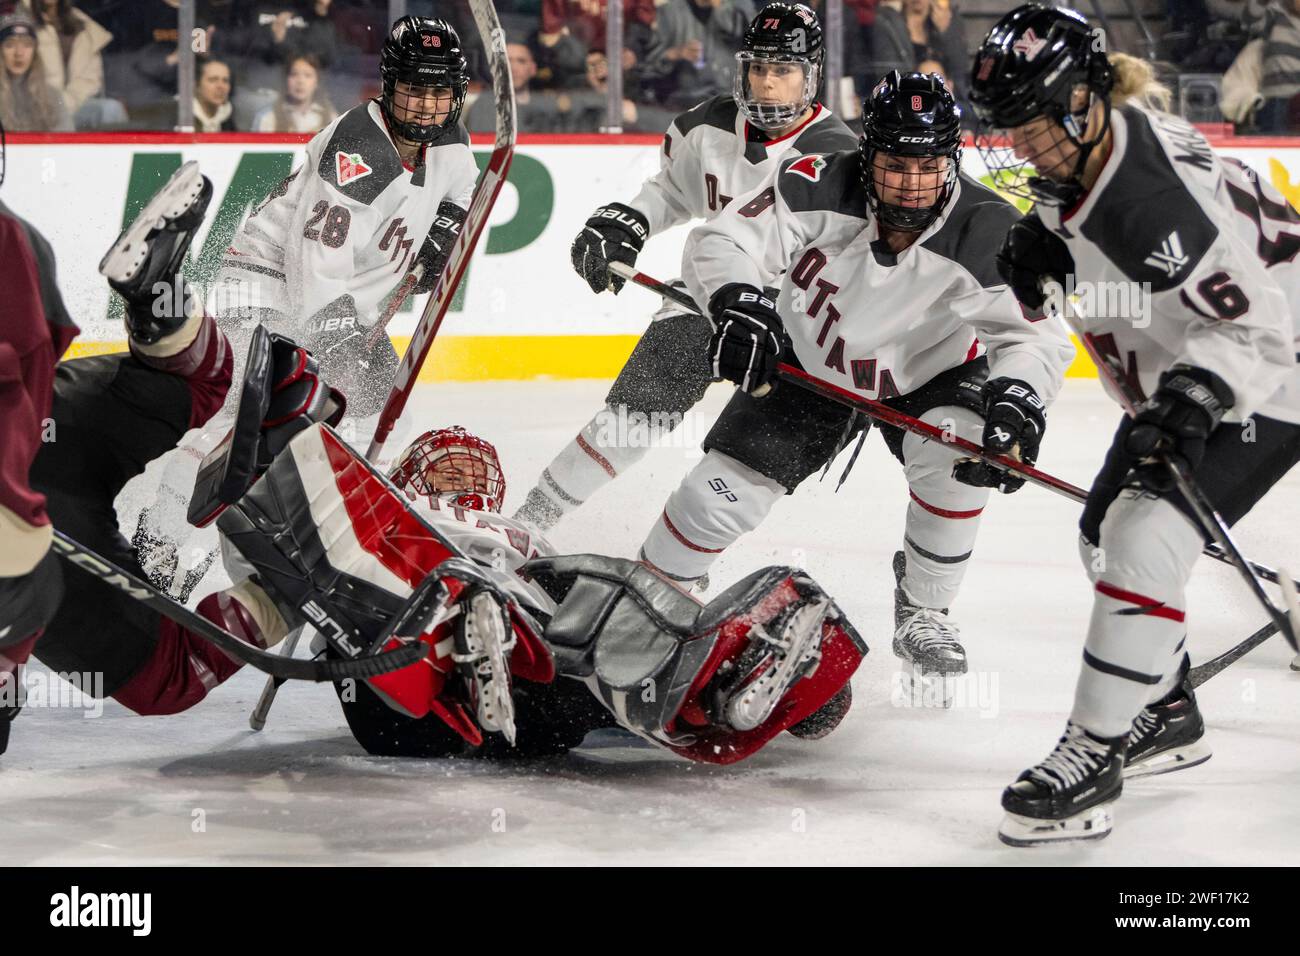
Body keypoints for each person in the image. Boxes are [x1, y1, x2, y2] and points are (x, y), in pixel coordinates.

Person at [968, 3, 1300, 845]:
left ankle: (1095, 751)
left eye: (1040, 126)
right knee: (1101, 534)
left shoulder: (1148, 200)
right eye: (1014, 129)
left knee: (1144, 535)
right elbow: (1101, 228)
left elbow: (1254, 327)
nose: (1026, 147)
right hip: (1225, 350)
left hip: (1275, 368)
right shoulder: (1100, 142)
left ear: (1084, 99)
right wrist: (1050, 240)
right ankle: (1166, 709)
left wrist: (1192, 399)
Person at [639, 71, 1074, 690]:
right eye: (896, 164)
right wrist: (736, 298)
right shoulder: (812, 179)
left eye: (929, 166)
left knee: (961, 447)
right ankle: (652, 599)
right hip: (810, 366)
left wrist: (1019, 396)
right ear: (867, 154)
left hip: (931, 375)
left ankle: (926, 609)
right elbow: (723, 240)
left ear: (953, 158)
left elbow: (1034, 337)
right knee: (712, 500)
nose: (912, 184)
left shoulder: (992, 228)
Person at [206, 409, 868, 762]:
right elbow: (310, 586)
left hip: (530, 707)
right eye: (446, 471)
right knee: (398, 605)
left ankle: (730, 688)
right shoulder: (384, 519)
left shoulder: (520, 533)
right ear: (409, 480)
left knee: (607, 613)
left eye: (472, 472)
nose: (462, 483)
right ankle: (468, 635)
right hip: (403, 705)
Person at [133, 15, 481, 602]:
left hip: (340, 300)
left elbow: (463, 190)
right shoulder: (357, 154)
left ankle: (355, 546)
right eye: (415, 90)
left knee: (374, 419)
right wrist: (337, 345)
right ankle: (157, 542)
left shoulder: (449, 141)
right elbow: (315, 274)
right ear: (388, 85)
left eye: (440, 92)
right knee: (240, 419)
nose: (426, 107)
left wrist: (445, 232)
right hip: (265, 282)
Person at [514, 2, 857, 536]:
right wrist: (632, 219)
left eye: (784, 71)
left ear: (810, 76)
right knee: (632, 414)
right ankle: (531, 520)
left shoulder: (838, 156)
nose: (768, 85)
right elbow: (672, 192)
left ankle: (688, 553)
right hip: (711, 297)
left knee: (747, 461)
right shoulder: (706, 126)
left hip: (795, 324)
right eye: (759, 69)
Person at [0, 159, 237, 755]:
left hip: (19, 512)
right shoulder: (17, 239)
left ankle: (280, 594)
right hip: (48, 422)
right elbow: (41, 353)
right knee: (203, 389)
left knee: (165, 676)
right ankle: (160, 308)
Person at [28, 0, 123, 129]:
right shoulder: (21, 23)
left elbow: (91, 78)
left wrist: (66, 102)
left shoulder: (81, 23)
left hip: (76, 103)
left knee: (111, 109)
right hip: (37, 107)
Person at [0, 10, 71, 130]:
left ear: (35, 52)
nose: (19, 53)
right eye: (10, 45)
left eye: (27, 45)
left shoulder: (52, 96)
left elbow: (66, 141)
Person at [251, 52, 338, 133]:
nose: (300, 81)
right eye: (294, 74)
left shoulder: (331, 119)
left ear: (317, 82)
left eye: (308, 75)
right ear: (286, 80)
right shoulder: (267, 118)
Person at [193, 55, 235, 132]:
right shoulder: (177, 117)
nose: (220, 86)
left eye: (225, 81)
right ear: (197, 85)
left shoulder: (228, 121)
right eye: (213, 80)